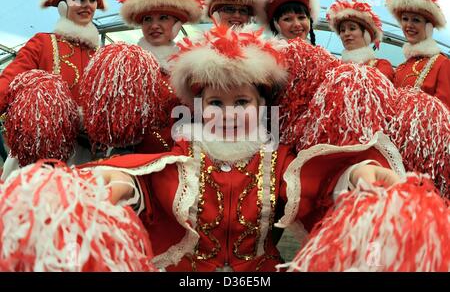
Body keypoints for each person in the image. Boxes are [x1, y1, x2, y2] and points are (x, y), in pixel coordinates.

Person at [80, 26, 405, 272]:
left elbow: (316, 183)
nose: (229, 112)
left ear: (261, 105)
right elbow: (153, 183)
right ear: (199, 107)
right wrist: (127, 185)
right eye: (216, 103)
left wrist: (355, 175)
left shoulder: (277, 157)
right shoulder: (184, 153)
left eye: (242, 102)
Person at [0, 0, 109, 180]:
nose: (88, 5)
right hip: (38, 154)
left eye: (92, 0)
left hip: (85, 159)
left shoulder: (102, 57)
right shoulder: (42, 43)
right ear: (62, 6)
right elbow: (9, 81)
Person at [118, 0, 203, 153]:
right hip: (135, 155)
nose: (154, 25)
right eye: (147, 19)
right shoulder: (125, 64)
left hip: (181, 156)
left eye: (163, 18)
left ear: (177, 25)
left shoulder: (192, 68)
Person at [386, 0, 450, 108]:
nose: (409, 25)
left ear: (428, 27)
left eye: (416, 20)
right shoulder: (400, 68)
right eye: (405, 19)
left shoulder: (442, 64)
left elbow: (445, 113)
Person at [327, 0, 395, 82]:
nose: (346, 33)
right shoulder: (334, 67)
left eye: (352, 28)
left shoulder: (381, 65)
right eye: (342, 30)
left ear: (366, 34)